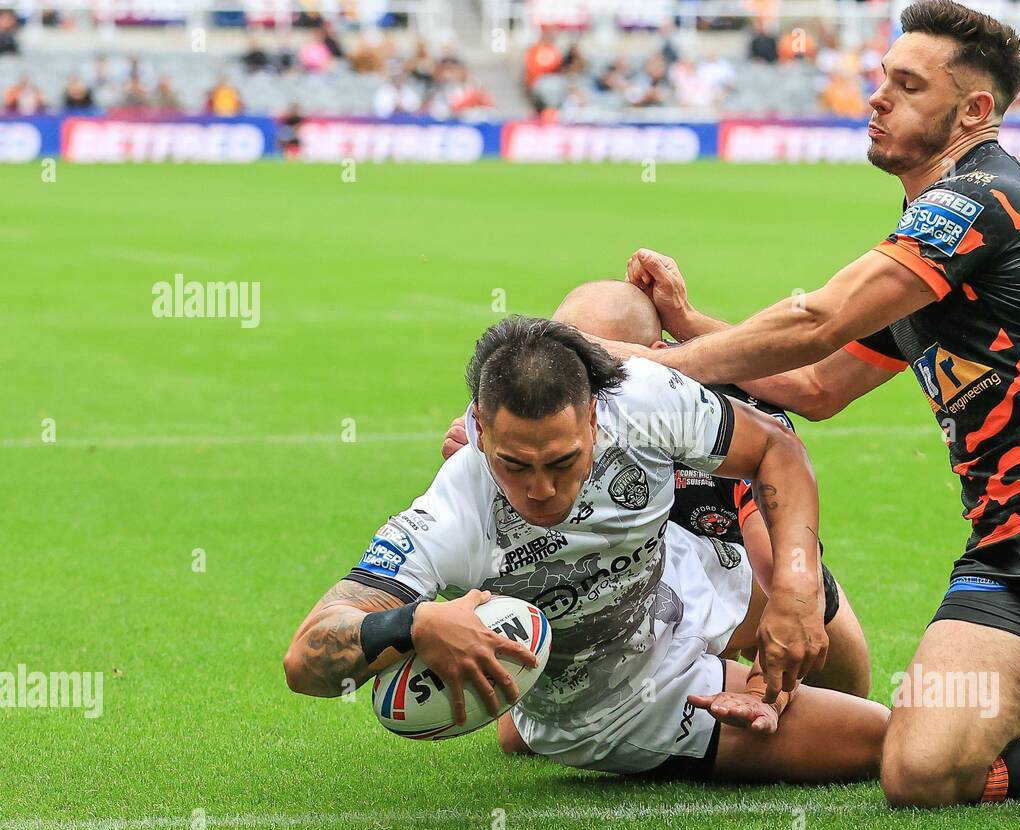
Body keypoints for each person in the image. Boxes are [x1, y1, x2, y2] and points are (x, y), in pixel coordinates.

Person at [603, 0, 1020, 803]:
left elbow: (815, 320)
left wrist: (652, 363)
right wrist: (690, 327)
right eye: (880, 79)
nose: (877, 97)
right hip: (1008, 538)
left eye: (906, 84)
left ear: (974, 110)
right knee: (921, 773)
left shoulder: (980, 200)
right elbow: (818, 387)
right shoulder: (925, 235)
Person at [285, 317, 891, 783]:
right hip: (624, 699)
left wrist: (795, 586)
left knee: (843, 664)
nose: (541, 489)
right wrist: (417, 621)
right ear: (479, 427)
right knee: (890, 744)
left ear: (596, 418)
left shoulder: (643, 401)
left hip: (684, 576)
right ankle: (545, 718)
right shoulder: (452, 512)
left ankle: (531, 702)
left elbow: (776, 449)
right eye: (514, 464)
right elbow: (306, 658)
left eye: (562, 461)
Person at [441, 280, 875, 703]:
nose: (582, 389)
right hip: (637, 591)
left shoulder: (713, 422)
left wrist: (766, 692)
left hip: (743, 581)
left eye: (605, 368)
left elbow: (777, 572)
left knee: (845, 694)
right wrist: (493, 475)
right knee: (519, 731)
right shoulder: (545, 431)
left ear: (660, 362)